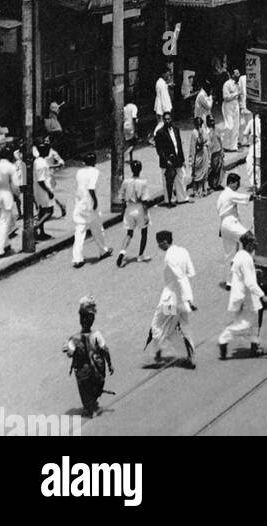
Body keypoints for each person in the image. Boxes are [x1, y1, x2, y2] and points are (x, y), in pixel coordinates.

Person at [144, 230, 196, 369]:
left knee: (157, 324)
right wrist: (188, 299)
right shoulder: (183, 251)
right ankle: (191, 356)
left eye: (159, 243)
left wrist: (189, 298)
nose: (158, 246)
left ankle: (160, 349)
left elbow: (180, 278)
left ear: (164, 242)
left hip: (170, 300)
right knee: (184, 325)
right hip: (182, 301)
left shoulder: (169, 257)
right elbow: (190, 273)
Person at [218, 231, 267, 359]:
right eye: (253, 243)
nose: (256, 245)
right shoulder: (246, 259)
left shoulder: (239, 255)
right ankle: (224, 339)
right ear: (248, 244)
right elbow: (250, 282)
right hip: (246, 296)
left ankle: (255, 346)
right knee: (245, 323)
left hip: (241, 295)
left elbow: (235, 273)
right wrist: (262, 295)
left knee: (255, 322)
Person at [64, 296, 113, 418]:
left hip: (82, 371)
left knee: (85, 390)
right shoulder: (96, 335)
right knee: (96, 386)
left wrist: (69, 349)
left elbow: (69, 353)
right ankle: (92, 406)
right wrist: (110, 364)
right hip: (96, 368)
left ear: (81, 320)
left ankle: (90, 408)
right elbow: (105, 350)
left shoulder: (74, 339)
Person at [71, 153, 112, 268]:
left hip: (79, 204)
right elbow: (91, 188)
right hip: (90, 204)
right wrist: (95, 201)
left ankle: (77, 258)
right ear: (94, 161)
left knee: (79, 232)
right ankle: (103, 251)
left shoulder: (79, 172)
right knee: (97, 229)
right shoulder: (95, 172)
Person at [116, 160, 152, 266]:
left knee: (129, 233)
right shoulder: (143, 182)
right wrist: (145, 215)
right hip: (140, 208)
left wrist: (123, 210)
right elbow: (145, 201)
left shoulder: (126, 182)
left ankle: (122, 251)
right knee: (144, 232)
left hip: (129, 208)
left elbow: (122, 197)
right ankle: (140, 255)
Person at [217, 171, 249, 285]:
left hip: (224, 225)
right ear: (231, 183)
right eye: (237, 183)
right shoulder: (230, 194)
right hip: (230, 224)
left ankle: (230, 281)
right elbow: (245, 198)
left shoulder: (222, 195)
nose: (238, 186)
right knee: (249, 239)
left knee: (229, 254)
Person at [154, 111, 188, 206]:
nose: (167, 121)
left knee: (180, 178)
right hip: (167, 161)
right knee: (167, 182)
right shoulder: (159, 133)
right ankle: (169, 200)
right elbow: (159, 150)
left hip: (177, 159)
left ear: (171, 119)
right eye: (165, 119)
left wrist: (183, 159)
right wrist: (166, 160)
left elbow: (179, 145)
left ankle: (182, 198)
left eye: (169, 119)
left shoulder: (176, 129)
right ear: (163, 121)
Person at [0, 148, 19, 258]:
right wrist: (17, 195)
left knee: (1, 219)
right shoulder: (11, 167)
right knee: (4, 222)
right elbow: (15, 185)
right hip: (6, 194)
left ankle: (5, 243)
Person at [32, 138, 61, 238]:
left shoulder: (37, 161)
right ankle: (36, 227)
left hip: (38, 190)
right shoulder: (42, 164)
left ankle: (42, 232)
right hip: (43, 190)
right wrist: (48, 191)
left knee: (42, 211)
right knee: (49, 211)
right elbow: (41, 180)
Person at [187, 116, 209, 199]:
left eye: (200, 124)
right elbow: (192, 147)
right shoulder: (194, 133)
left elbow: (207, 141)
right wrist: (191, 159)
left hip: (204, 153)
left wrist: (205, 146)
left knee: (204, 172)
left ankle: (204, 189)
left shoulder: (204, 131)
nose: (199, 126)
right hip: (198, 154)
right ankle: (196, 191)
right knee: (196, 173)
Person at [221, 72, 241, 153]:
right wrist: (235, 94)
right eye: (236, 74)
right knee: (229, 125)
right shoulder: (227, 84)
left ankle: (233, 146)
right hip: (228, 105)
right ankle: (226, 145)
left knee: (236, 126)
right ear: (232, 75)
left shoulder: (238, 84)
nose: (238, 76)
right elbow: (225, 97)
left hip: (235, 105)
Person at [205, 115, 224, 190]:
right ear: (207, 122)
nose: (212, 122)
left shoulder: (217, 129)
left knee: (219, 168)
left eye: (213, 120)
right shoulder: (206, 131)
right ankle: (211, 183)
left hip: (218, 150)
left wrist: (222, 150)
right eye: (210, 121)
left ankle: (217, 184)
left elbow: (220, 140)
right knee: (212, 169)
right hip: (210, 153)